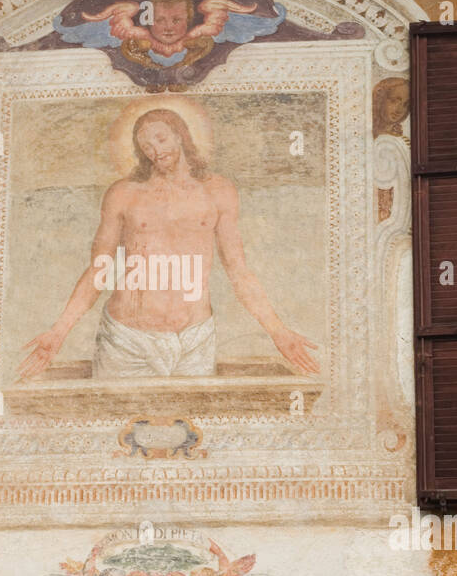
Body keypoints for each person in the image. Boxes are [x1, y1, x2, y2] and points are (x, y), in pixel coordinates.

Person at [19, 108, 319, 381]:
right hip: (128, 340)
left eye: (161, 139)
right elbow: (100, 270)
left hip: (194, 340)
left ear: (180, 135)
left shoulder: (219, 191)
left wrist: (278, 331)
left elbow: (238, 271)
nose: (155, 151)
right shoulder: (124, 194)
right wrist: (59, 332)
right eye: (146, 146)